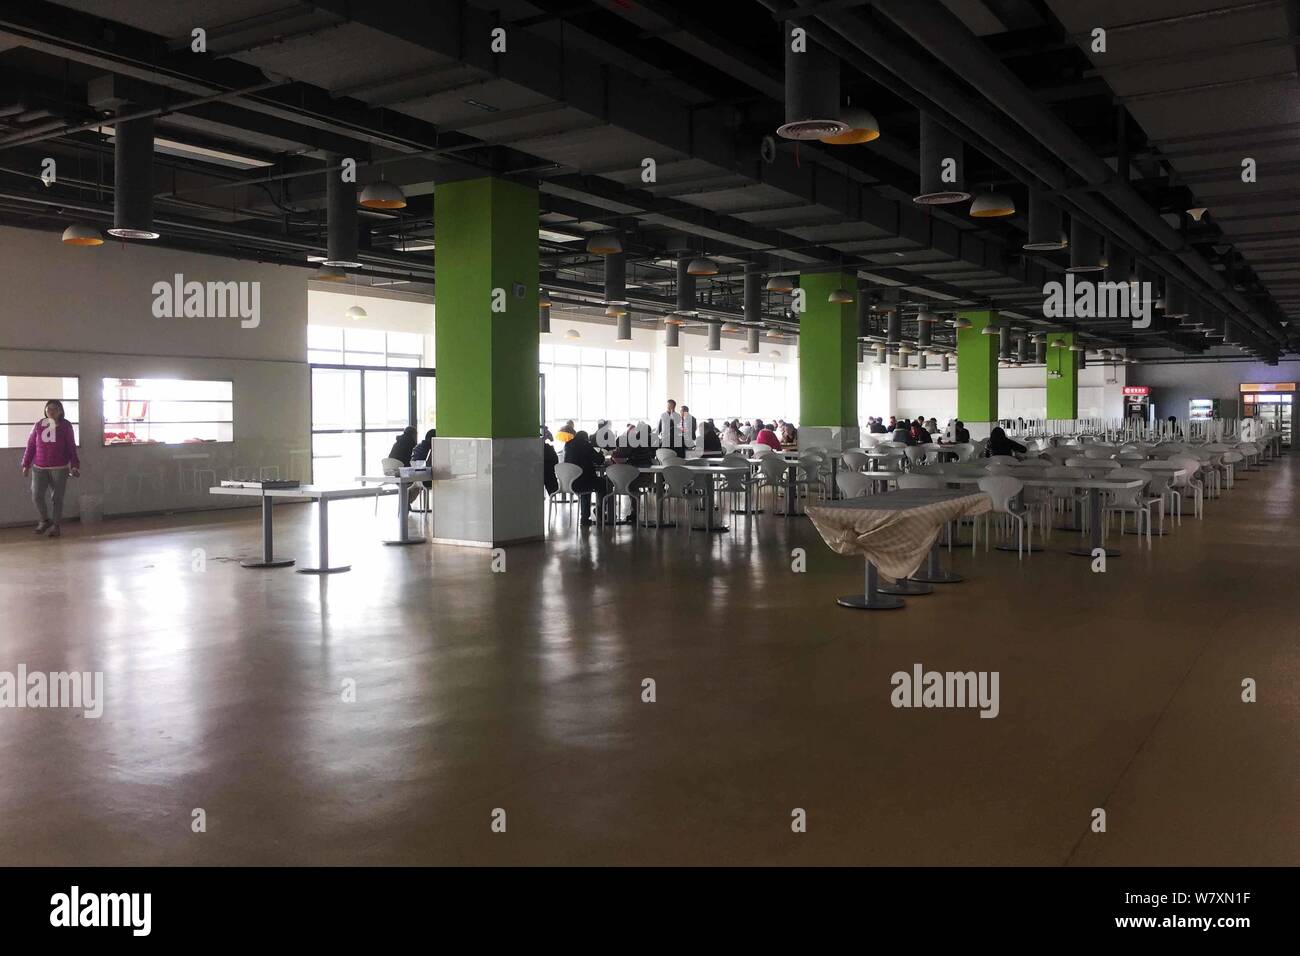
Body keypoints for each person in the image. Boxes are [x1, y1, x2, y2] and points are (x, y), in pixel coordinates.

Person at [21, 399, 80, 538]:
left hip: (59, 468)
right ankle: (44, 520)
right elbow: (31, 446)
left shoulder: (66, 426)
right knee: (36, 495)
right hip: (39, 467)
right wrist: (26, 464)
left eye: (54, 409)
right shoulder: (39, 425)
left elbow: (71, 447)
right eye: (48, 409)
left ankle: (56, 526)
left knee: (57, 498)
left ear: (60, 411)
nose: (50, 411)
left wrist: (75, 465)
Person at [563, 430, 605, 525]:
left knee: (585, 483)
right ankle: (600, 510)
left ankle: (585, 517)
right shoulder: (585, 445)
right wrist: (601, 454)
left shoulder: (568, 444)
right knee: (603, 483)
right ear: (586, 438)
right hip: (583, 482)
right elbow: (599, 460)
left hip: (569, 482)